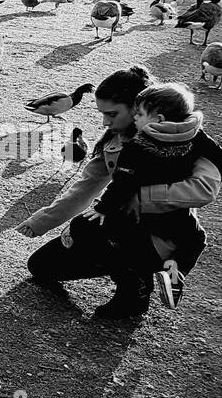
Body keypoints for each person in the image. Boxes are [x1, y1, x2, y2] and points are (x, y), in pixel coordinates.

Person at [19, 66, 221, 319]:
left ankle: (135, 288)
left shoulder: (187, 138)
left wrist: (141, 198)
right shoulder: (116, 142)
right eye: (102, 114)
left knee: (90, 228)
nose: (105, 122)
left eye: (112, 114)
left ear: (137, 108)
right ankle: (119, 261)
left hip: (162, 232)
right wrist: (42, 220)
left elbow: (205, 189)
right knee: (41, 266)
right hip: (120, 222)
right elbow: (86, 187)